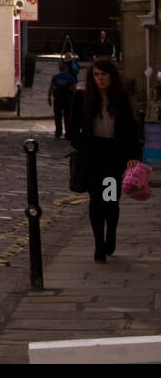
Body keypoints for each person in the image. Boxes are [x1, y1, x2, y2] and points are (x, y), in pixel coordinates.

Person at [69, 59, 142, 262]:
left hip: (113, 158)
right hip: (92, 157)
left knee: (110, 200)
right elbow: (72, 131)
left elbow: (130, 131)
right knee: (95, 201)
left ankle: (111, 232)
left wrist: (133, 156)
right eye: (96, 75)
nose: (100, 79)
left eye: (104, 74)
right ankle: (98, 245)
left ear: (112, 76)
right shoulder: (82, 98)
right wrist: (82, 146)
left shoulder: (120, 99)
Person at [47, 60, 77, 140]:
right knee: (67, 116)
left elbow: (50, 89)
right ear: (66, 68)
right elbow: (74, 90)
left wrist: (49, 98)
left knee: (57, 116)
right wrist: (75, 99)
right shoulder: (70, 78)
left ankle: (58, 132)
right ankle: (68, 132)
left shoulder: (55, 78)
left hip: (57, 100)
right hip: (68, 100)